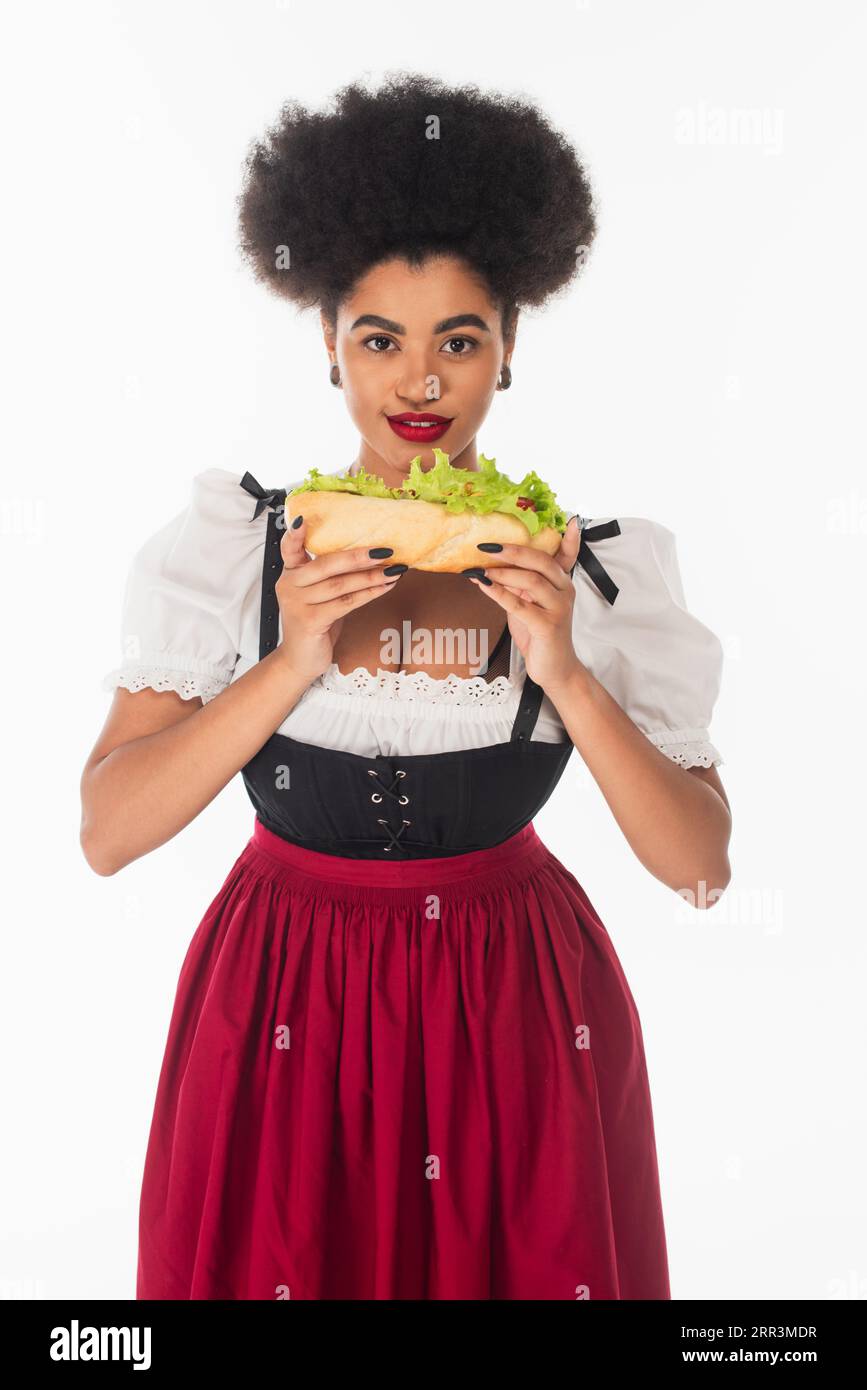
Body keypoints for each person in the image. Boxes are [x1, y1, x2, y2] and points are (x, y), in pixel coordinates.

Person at [81, 73, 731, 1300]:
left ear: (509, 351)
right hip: (281, 990)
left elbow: (702, 865)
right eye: (380, 338)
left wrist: (567, 675)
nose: (418, 383)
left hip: (515, 1003)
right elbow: (108, 833)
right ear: (329, 347)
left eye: (459, 341)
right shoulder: (240, 550)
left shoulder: (585, 565)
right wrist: (287, 664)